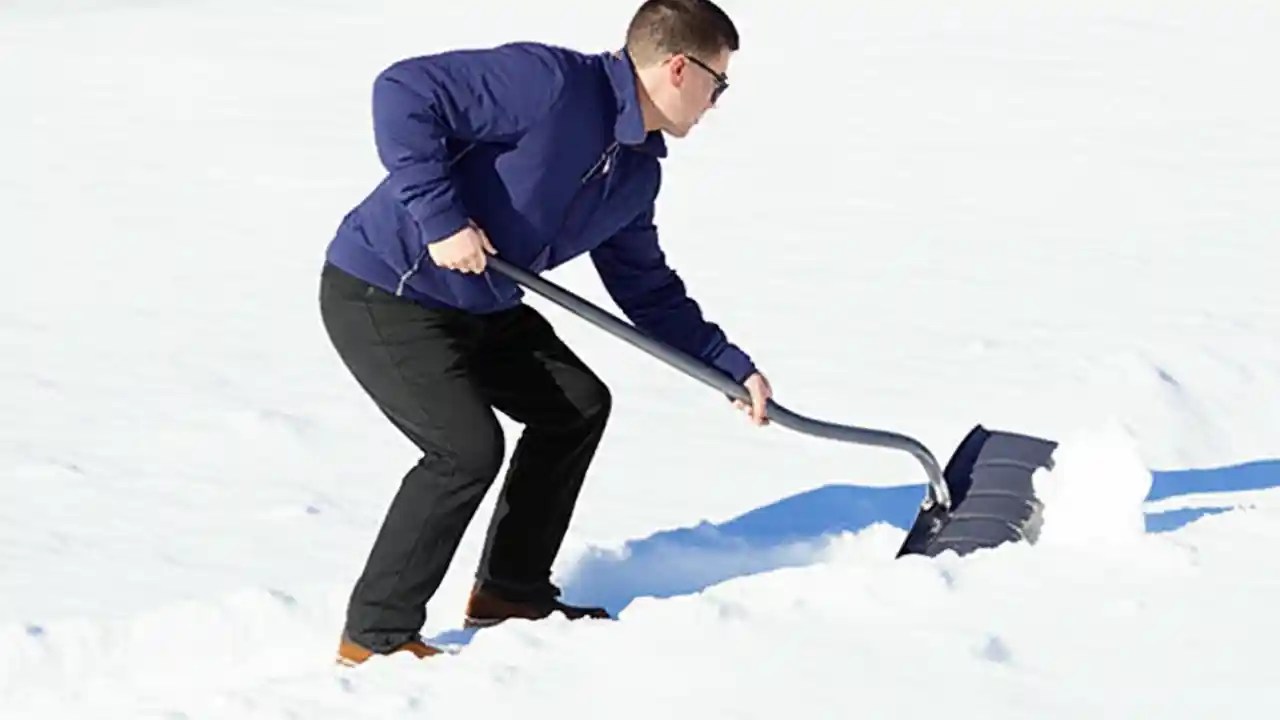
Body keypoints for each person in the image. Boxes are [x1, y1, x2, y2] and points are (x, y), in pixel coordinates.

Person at [319, 0, 771, 665]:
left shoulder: (635, 171)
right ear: (679, 67)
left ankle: (509, 592)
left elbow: (647, 289)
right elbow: (403, 90)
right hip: (386, 290)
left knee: (575, 407)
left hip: (482, 305)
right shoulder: (552, 84)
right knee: (465, 451)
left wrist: (726, 365)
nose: (716, 102)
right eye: (718, 83)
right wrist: (441, 219)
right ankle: (374, 637)